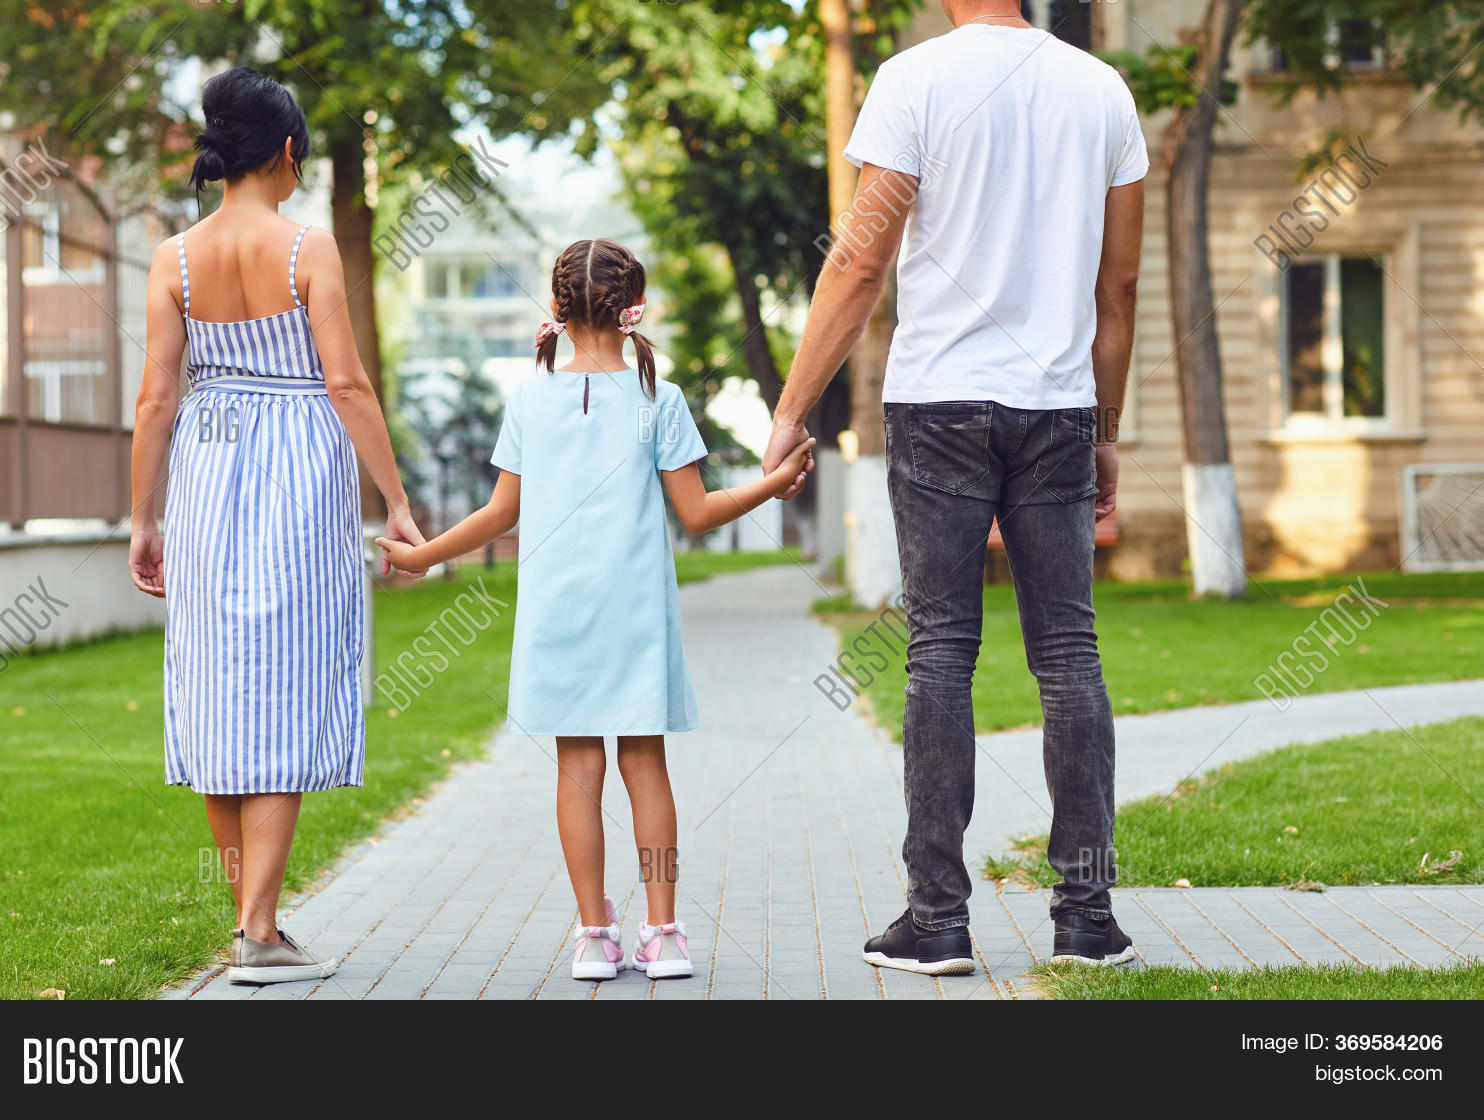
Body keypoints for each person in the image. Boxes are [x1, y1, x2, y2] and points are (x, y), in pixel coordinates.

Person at [763, 1, 1147, 973]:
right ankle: (1086, 913)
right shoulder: (1102, 88)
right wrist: (1106, 430)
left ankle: (936, 917)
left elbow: (857, 261)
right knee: (1068, 649)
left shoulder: (915, 79)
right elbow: (1120, 288)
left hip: (938, 404)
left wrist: (792, 407)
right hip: (1057, 405)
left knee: (940, 648)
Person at [378, 238, 814, 981]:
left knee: (578, 768)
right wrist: (773, 485)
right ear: (634, 310)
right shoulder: (658, 398)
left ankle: (591, 938)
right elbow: (700, 513)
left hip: (557, 619)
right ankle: (665, 934)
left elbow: (499, 514)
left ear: (556, 310)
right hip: (636, 612)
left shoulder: (530, 399)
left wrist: (424, 555)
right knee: (645, 765)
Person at [129, 67, 426, 984]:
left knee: (223, 698)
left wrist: (144, 520)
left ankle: (254, 922)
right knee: (290, 688)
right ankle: (258, 930)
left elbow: (154, 400)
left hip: (207, 478)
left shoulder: (173, 257)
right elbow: (345, 383)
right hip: (299, 472)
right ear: (288, 151)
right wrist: (400, 505)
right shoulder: (309, 247)